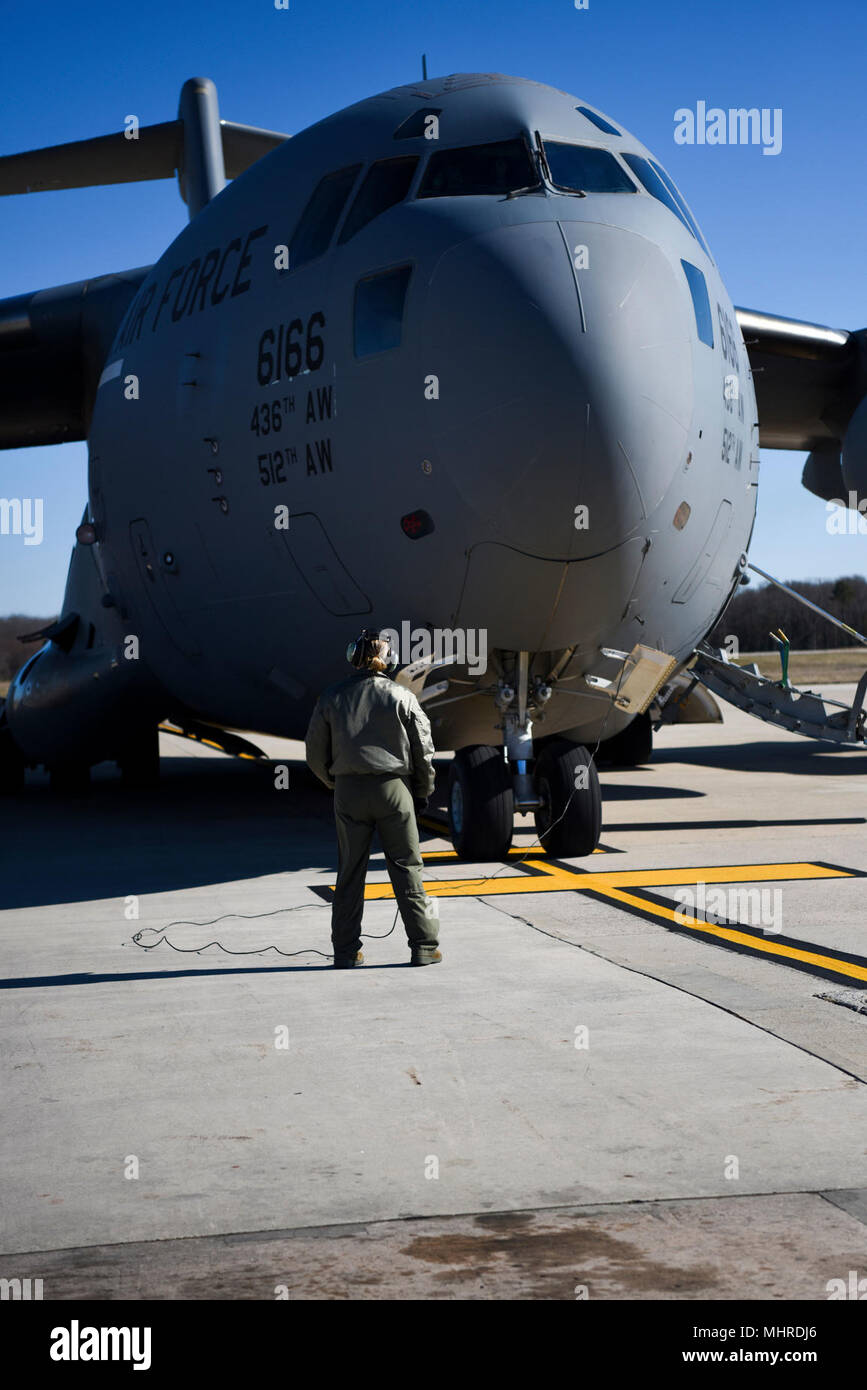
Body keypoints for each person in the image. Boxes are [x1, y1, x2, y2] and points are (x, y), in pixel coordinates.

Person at [305, 630, 441, 969]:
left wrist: (335, 783)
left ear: (353, 657)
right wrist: (422, 792)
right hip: (394, 790)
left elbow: (313, 753)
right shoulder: (402, 696)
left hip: (349, 792)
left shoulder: (332, 697)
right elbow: (423, 751)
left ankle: (346, 952)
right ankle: (423, 947)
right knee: (407, 867)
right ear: (389, 658)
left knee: (350, 872)